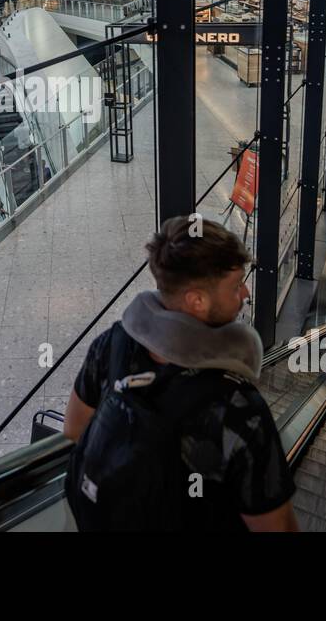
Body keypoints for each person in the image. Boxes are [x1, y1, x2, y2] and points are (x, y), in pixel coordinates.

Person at [62, 217, 298, 531]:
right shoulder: (238, 408)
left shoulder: (112, 346)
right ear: (197, 301)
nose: (245, 293)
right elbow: (276, 528)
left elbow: (74, 428)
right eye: (236, 284)